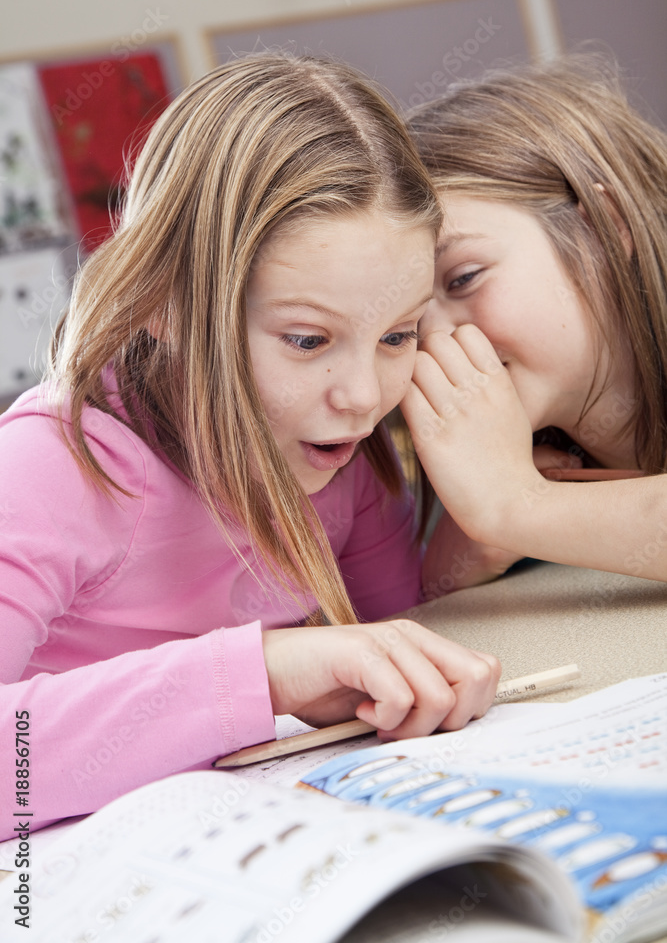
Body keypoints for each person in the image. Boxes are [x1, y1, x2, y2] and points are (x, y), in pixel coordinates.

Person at [0, 52, 501, 840]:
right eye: (307, 339)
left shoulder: (340, 459)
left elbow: (400, 640)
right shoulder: (55, 465)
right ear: (160, 304)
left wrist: (480, 535)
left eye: (397, 334)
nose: (364, 396)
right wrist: (262, 673)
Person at [401, 55, 667, 596]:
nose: (436, 345)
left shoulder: (502, 496)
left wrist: (516, 507)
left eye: (464, 278)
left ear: (606, 230)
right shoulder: (471, 488)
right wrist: (448, 569)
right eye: (402, 325)